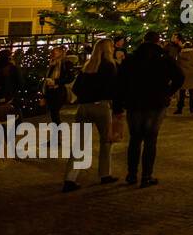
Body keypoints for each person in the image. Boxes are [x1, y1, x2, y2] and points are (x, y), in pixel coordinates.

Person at [116, 32, 184, 187]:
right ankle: (146, 176)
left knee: (135, 139)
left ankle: (132, 174)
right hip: (156, 102)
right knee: (150, 139)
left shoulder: (131, 59)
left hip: (134, 102)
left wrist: (119, 104)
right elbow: (180, 77)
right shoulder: (164, 58)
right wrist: (168, 92)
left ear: (143, 41)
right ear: (158, 41)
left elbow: (120, 82)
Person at [63, 38, 121, 191]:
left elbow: (75, 88)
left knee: (80, 143)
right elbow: (116, 89)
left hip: (84, 107)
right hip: (102, 106)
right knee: (106, 141)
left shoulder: (88, 66)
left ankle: (70, 178)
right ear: (109, 50)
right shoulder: (110, 66)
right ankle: (104, 174)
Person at [41, 45, 76, 125]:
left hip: (59, 91)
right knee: (53, 113)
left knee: (55, 112)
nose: (52, 54)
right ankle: (57, 131)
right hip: (50, 91)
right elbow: (48, 76)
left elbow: (70, 77)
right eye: (52, 53)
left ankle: (57, 132)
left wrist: (56, 81)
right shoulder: (52, 63)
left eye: (54, 53)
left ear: (61, 53)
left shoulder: (65, 63)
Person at [173, 34, 193, 114]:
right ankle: (192, 109)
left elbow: (177, 64)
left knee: (182, 93)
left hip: (183, 74)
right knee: (192, 92)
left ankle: (180, 109)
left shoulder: (180, 55)